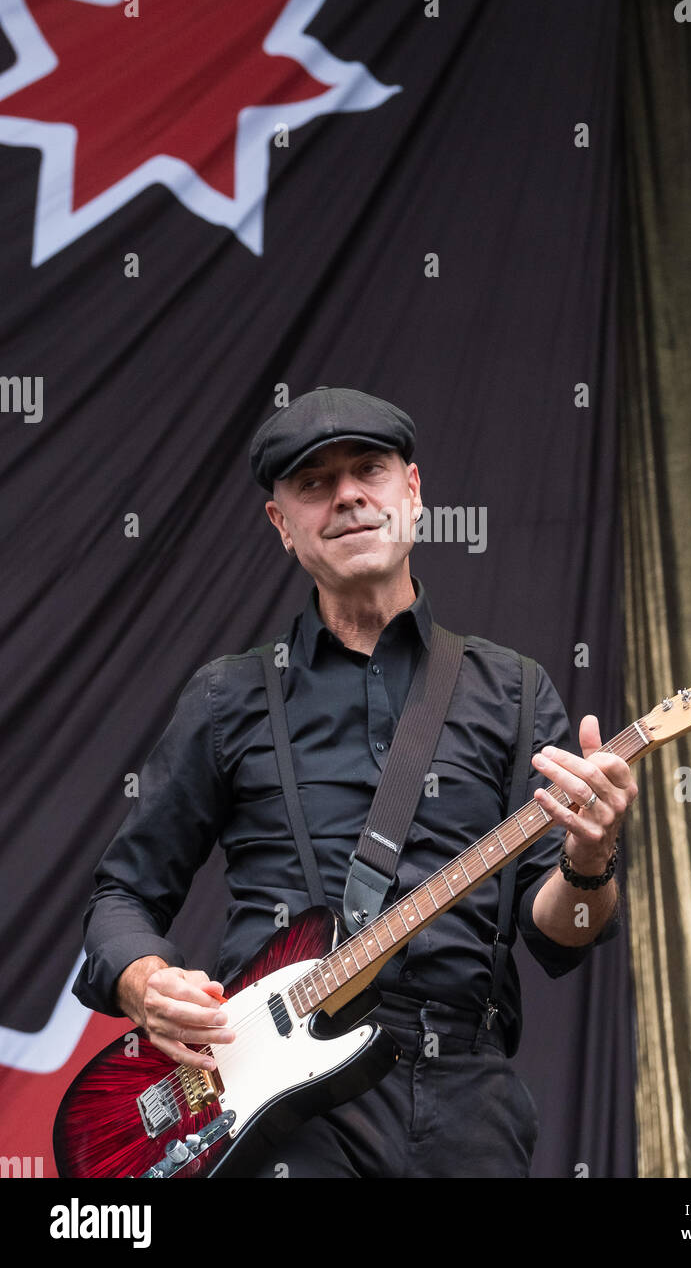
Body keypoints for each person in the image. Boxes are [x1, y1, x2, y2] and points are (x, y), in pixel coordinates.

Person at [72, 386, 638, 1177]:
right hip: (282, 1106)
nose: (346, 496)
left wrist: (590, 859)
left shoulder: (513, 690)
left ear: (412, 490)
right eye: (313, 483)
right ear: (282, 524)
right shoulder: (228, 696)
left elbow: (563, 936)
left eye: (369, 469)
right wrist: (143, 983)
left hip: (467, 1100)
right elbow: (120, 896)